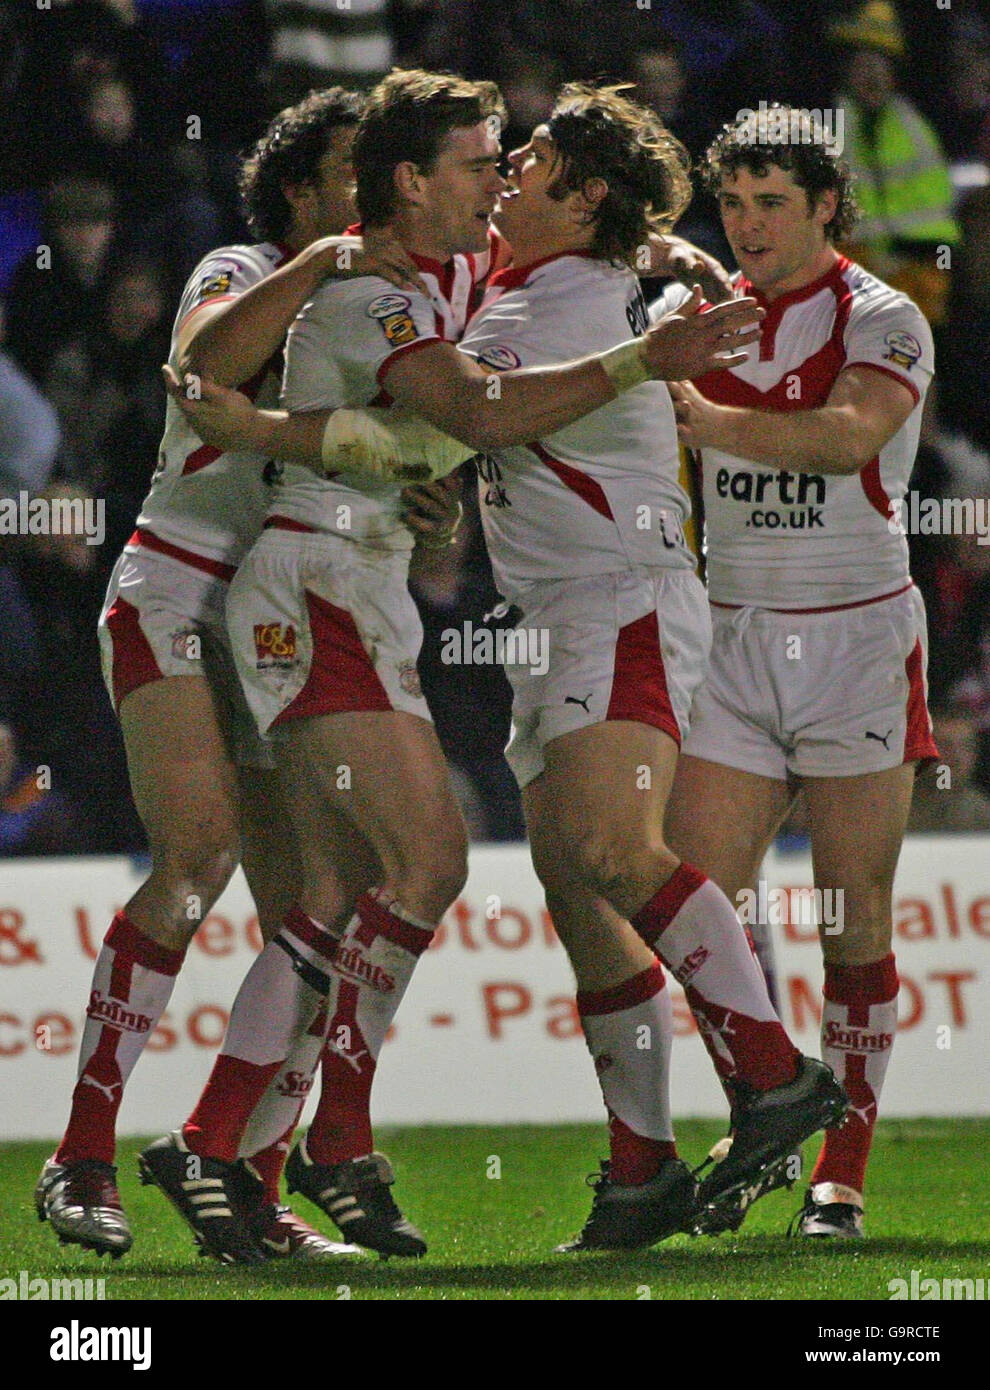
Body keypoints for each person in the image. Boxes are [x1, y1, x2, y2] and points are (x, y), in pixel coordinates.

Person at [160, 71, 836, 1258]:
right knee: (502, 883)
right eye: (487, 161)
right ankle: (605, 1160)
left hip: (598, 604)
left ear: (576, 202)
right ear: (416, 183)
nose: (502, 176)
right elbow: (453, 410)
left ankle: (766, 1081)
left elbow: (467, 409)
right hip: (365, 593)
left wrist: (278, 430)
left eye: (517, 166)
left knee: (560, 862)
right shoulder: (446, 287)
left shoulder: (529, 299)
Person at [33, 84, 440, 1265]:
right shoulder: (242, 263)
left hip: (288, 619)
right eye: (354, 169)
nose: (379, 188)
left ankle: (245, 1185)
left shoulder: (379, 309)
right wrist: (317, 259)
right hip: (177, 593)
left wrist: (419, 493)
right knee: (198, 855)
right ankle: (81, 1154)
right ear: (302, 187)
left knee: (313, 910)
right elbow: (206, 364)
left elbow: (381, 460)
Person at [665, 103, 939, 1237]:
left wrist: (691, 410)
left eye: (772, 202)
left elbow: (843, 437)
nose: (748, 224)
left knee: (850, 915)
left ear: (827, 204)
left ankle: (844, 1172)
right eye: (731, 203)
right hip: (730, 633)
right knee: (689, 897)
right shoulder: (697, 314)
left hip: (856, 639)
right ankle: (768, 1103)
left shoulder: (885, 317)